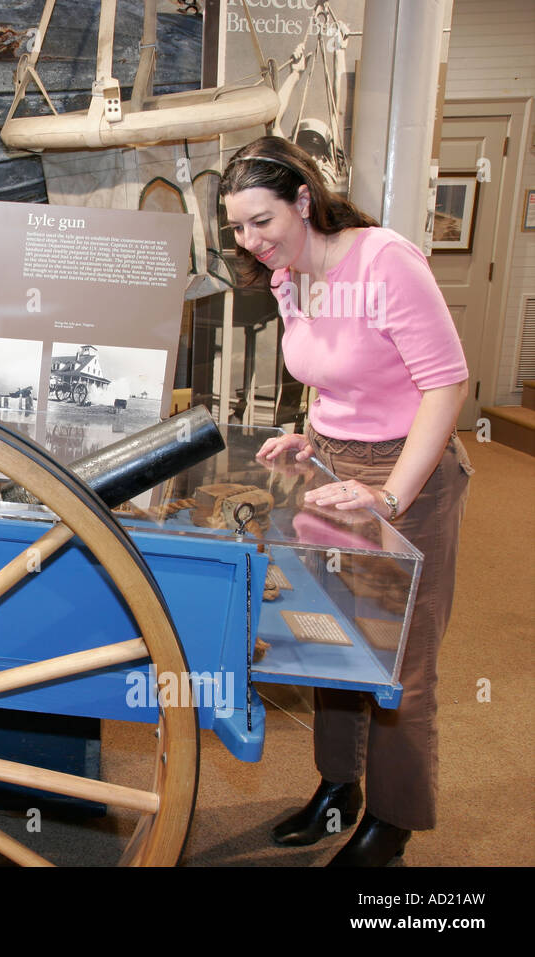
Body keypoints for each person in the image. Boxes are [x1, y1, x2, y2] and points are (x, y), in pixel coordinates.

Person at [220, 135, 472, 867]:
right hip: (332, 470)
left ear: (304, 199)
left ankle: (390, 825)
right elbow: (340, 373)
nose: (250, 240)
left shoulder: (387, 261)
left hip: (407, 477)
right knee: (325, 639)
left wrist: (391, 494)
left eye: (261, 220)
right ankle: (339, 788)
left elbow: (445, 385)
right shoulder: (288, 274)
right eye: (237, 226)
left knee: (398, 663)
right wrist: (309, 434)